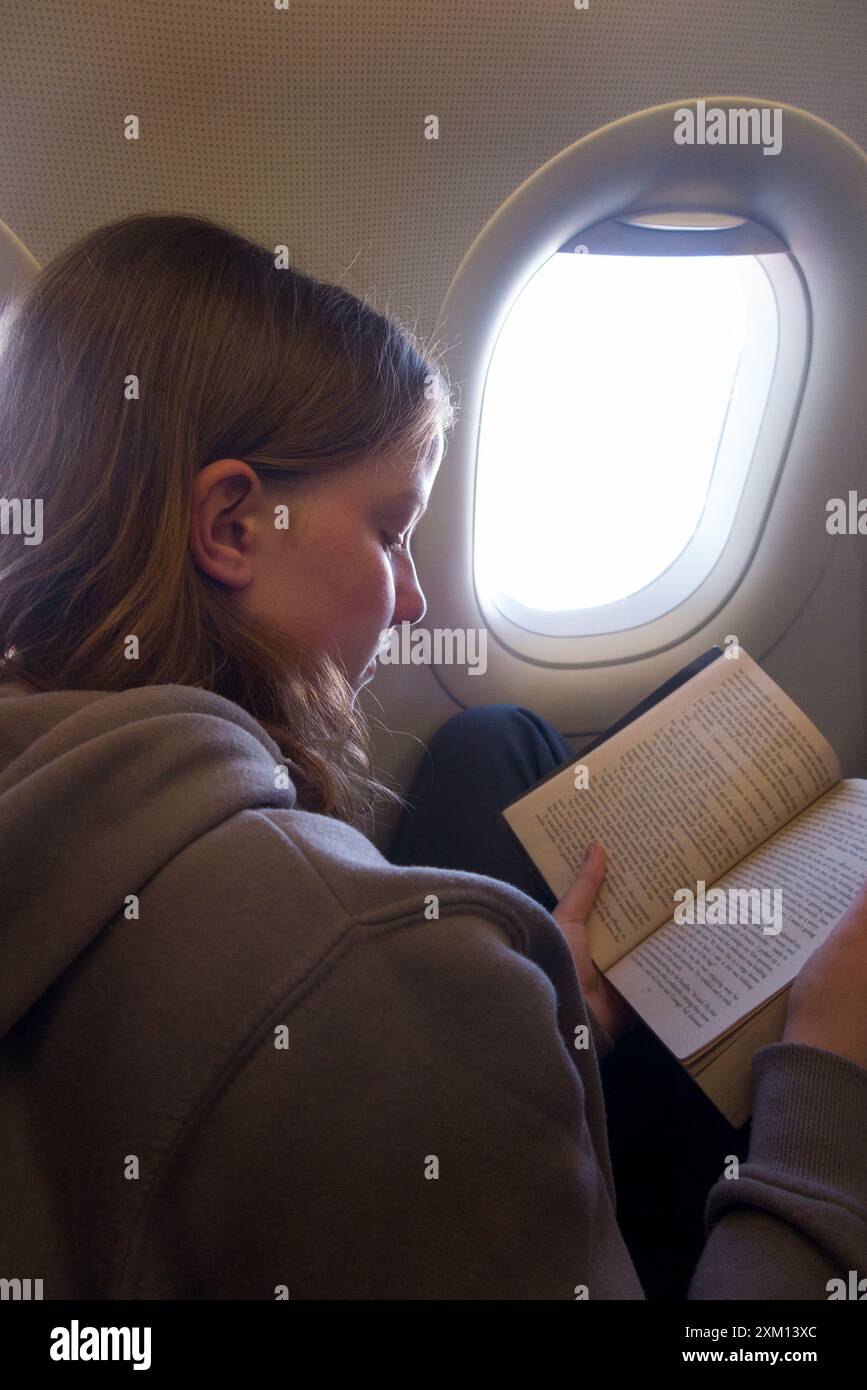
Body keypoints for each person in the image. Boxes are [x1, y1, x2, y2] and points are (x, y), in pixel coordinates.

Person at [0, 213, 864, 1300]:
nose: (412, 600)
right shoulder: (370, 973)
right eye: (390, 528)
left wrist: (553, 1025)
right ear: (231, 524)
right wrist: (832, 1085)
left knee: (496, 739)